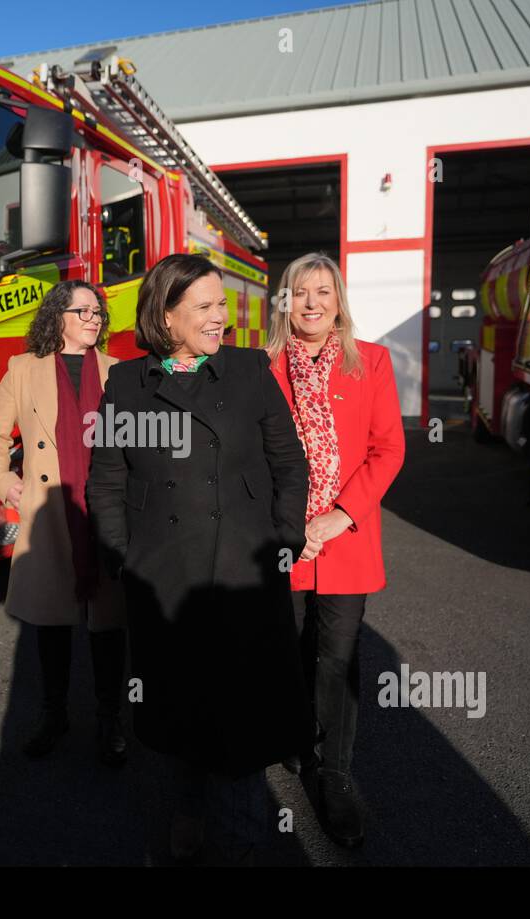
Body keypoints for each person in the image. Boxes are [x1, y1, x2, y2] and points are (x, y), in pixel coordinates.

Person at [86, 253, 311, 863]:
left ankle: (236, 844)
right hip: (166, 581)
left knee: (241, 727)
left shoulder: (246, 370)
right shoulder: (127, 385)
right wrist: (123, 560)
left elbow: (289, 462)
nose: (222, 320)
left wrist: (284, 539)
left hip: (246, 573)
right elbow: (106, 483)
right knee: (182, 712)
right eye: (205, 308)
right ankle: (188, 812)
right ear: (165, 315)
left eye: (223, 306)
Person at [267, 252, 405, 848]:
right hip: (285, 541)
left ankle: (337, 777)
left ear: (339, 300)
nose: (312, 302)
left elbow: (388, 449)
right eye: (301, 292)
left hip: (344, 538)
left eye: (324, 291)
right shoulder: (266, 367)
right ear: (286, 301)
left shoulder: (370, 361)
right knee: (294, 651)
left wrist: (339, 515)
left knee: (338, 659)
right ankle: (299, 738)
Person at [0, 280, 128, 766]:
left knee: (108, 626)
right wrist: (6, 483)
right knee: (51, 621)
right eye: (82, 311)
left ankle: (109, 719)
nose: (93, 319)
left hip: (104, 510)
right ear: (56, 317)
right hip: (50, 510)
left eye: (97, 312)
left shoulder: (118, 373)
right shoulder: (23, 369)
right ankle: (54, 714)